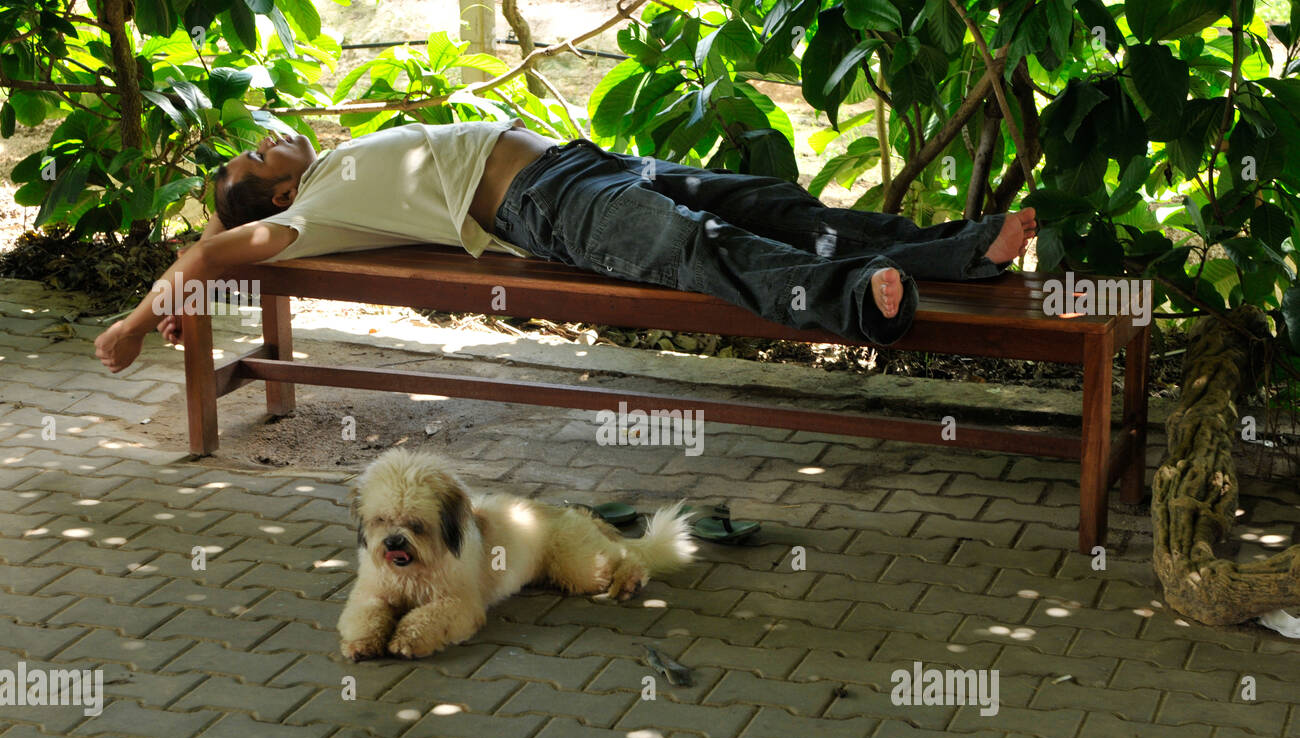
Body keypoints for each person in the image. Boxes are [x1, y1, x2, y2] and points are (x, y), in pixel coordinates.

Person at [94, 119, 1036, 372]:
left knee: (770, 203)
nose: (271, 137)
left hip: (583, 165)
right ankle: (852, 302)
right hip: (553, 211)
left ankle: (958, 251)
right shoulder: (308, 215)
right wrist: (142, 318)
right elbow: (212, 256)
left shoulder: (329, 169)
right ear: (279, 190)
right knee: (700, 248)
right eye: (260, 154)